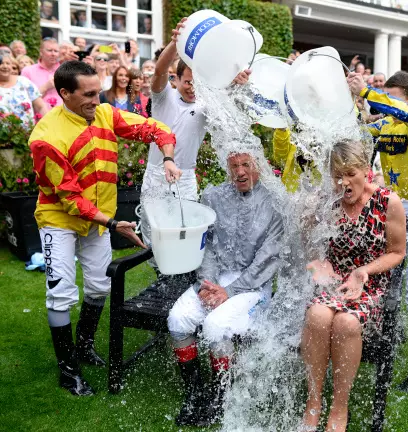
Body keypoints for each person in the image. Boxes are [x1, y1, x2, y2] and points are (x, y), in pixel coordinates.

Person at [29, 61, 180, 396]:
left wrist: (168, 157)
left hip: (100, 220)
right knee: (61, 294)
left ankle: (83, 347)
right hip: (60, 220)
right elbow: (69, 199)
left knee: (99, 287)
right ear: (64, 93)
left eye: (98, 92)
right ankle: (68, 371)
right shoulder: (45, 137)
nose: (97, 101)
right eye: (88, 94)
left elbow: (156, 129)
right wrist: (114, 223)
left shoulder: (105, 114)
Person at [167, 152, 284, 426]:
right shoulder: (213, 197)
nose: (240, 172)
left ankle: (220, 399)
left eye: (246, 165)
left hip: (253, 286)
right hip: (213, 280)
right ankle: (195, 394)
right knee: (178, 319)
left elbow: (267, 260)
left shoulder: (276, 204)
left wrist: (229, 292)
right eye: (234, 166)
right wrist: (207, 283)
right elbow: (206, 246)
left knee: (217, 325)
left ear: (259, 166)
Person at [300, 140, 406, 432]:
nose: (343, 183)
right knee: (317, 315)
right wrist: (318, 261)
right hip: (334, 282)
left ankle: (339, 407)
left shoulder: (388, 202)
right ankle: (314, 402)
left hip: (369, 284)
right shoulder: (328, 201)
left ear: (365, 171)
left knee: (347, 323)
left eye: (350, 174)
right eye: (337, 175)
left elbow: (397, 252)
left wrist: (364, 271)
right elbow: (308, 243)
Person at [348, 70, 408, 392]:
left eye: (395, 98)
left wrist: (368, 92)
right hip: (391, 212)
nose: (388, 106)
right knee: (383, 282)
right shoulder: (385, 125)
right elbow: (353, 134)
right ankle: (378, 343)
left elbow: (402, 112)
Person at [140, 17, 250, 267]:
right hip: (156, 174)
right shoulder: (163, 98)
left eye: (196, 83)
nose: (191, 88)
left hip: (185, 177)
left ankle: (181, 276)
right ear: (176, 80)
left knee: (183, 230)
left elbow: (231, 104)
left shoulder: (205, 105)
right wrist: (176, 43)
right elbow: (158, 71)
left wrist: (238, 83)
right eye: (187, 81)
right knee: (153, 233)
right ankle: (158, 275)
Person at [0, 55, 48, 125]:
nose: (5, 66)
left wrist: (49, 124)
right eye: (1, 63)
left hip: (27, 133)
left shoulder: (23, 81)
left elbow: (40, 107)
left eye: (8, 63)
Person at [21, 38, 61, 108]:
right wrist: (45, 87)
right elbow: (24, 99)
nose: (53, 54)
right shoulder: (28, 71)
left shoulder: (64, 71)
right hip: (38, 116)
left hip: (61, 116)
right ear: (41, 52)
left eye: (56, 51)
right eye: (49, 50)